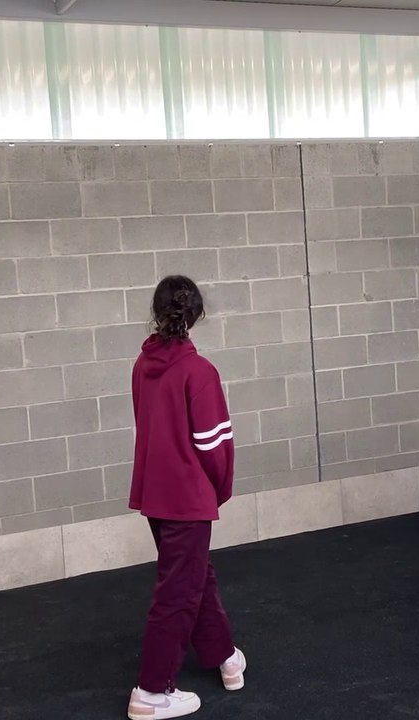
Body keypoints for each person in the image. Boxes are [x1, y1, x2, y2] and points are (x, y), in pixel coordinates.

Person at [126, 275, 246, 720]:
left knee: (194, 577)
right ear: (195, 315)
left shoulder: (142, 366)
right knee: (178, 592)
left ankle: (226, 658)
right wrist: (218, 490)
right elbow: (215, 445)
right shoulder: (199, 371)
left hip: (156, 493)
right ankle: (152, 692)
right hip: (187, 495)